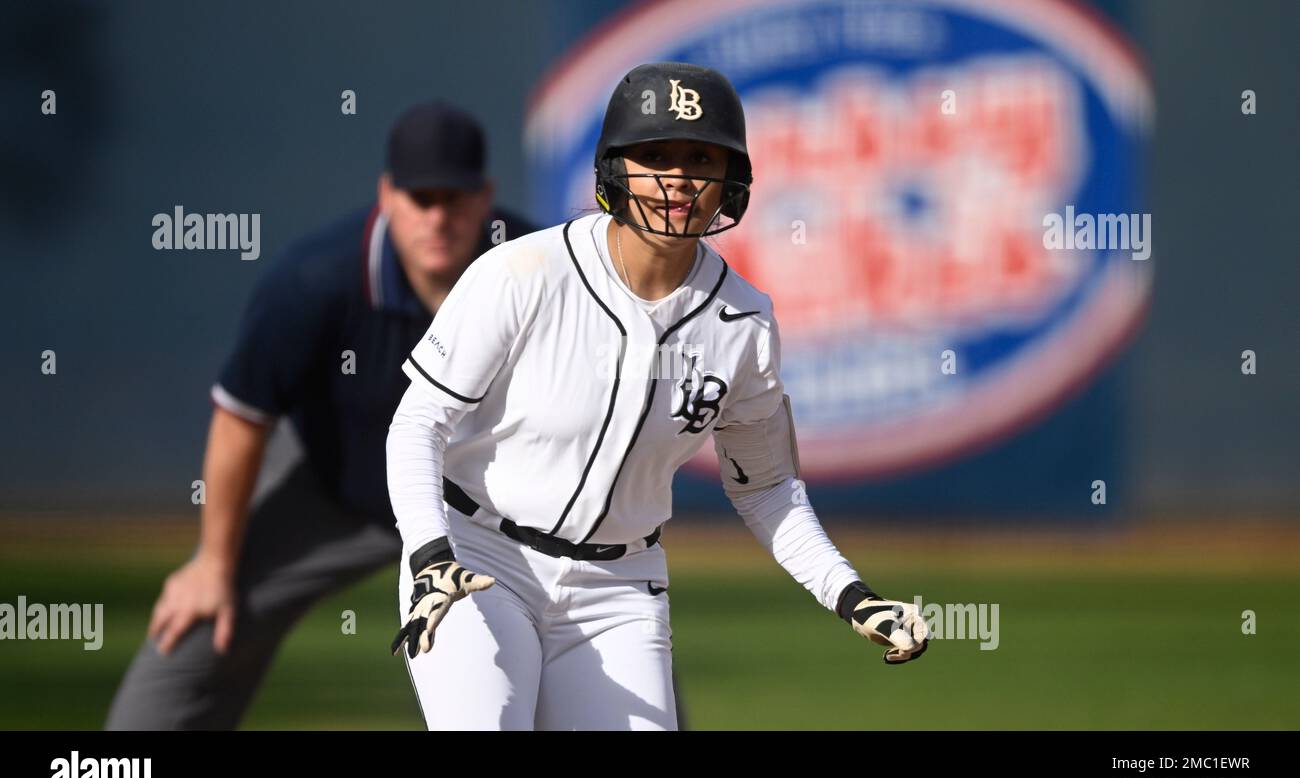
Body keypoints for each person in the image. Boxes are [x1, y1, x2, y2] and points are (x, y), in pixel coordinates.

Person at [387, 63, 930, 732]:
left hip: (618, 588)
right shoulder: (524, 273)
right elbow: (418, 421)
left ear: (732, 177)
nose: (677, 177)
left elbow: (766, 488)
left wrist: (851, 594)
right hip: (479, 557)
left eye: (700, 157)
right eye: (655, 156)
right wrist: (429, 553)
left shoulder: (743, 322)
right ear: (614, 169)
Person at [105, 101, 538, 730]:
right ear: (387, 195)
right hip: (344, 501)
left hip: (496, 508)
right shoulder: (316, 282)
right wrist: (212, 561)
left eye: (456, 196)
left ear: (486, 196)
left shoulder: (534, 271)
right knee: (206, 617)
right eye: (421, 197)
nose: (438, 216)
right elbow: (241, 416)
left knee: (598, 637)